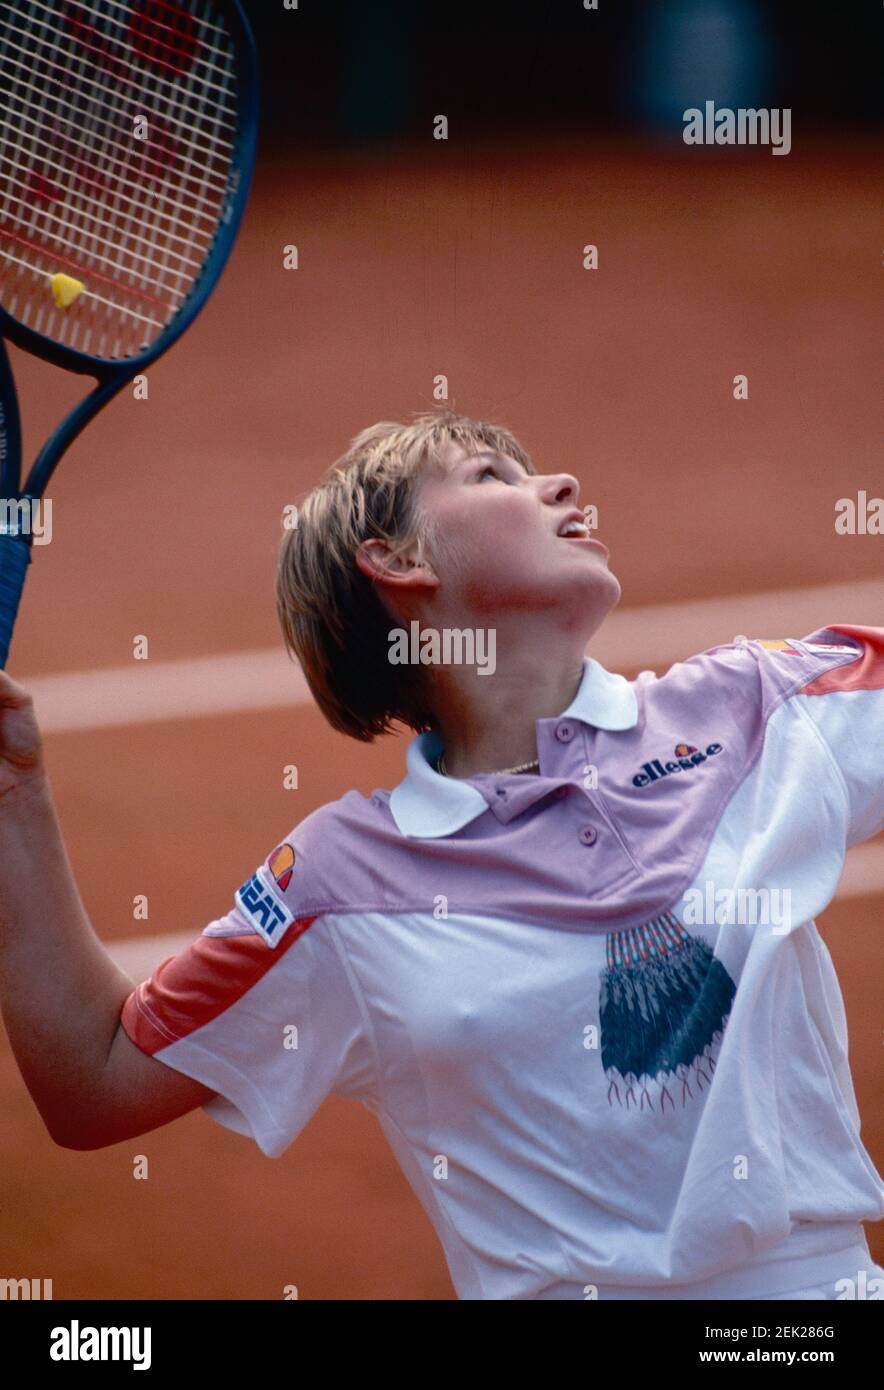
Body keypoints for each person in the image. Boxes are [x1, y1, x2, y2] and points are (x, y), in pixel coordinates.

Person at [1, 408, 882, 1301]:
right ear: (397, 561)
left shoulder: (755, 705)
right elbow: (95, 1078)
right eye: (491, 476)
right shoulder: (343, 879)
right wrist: (14, 797)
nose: (563, 485)